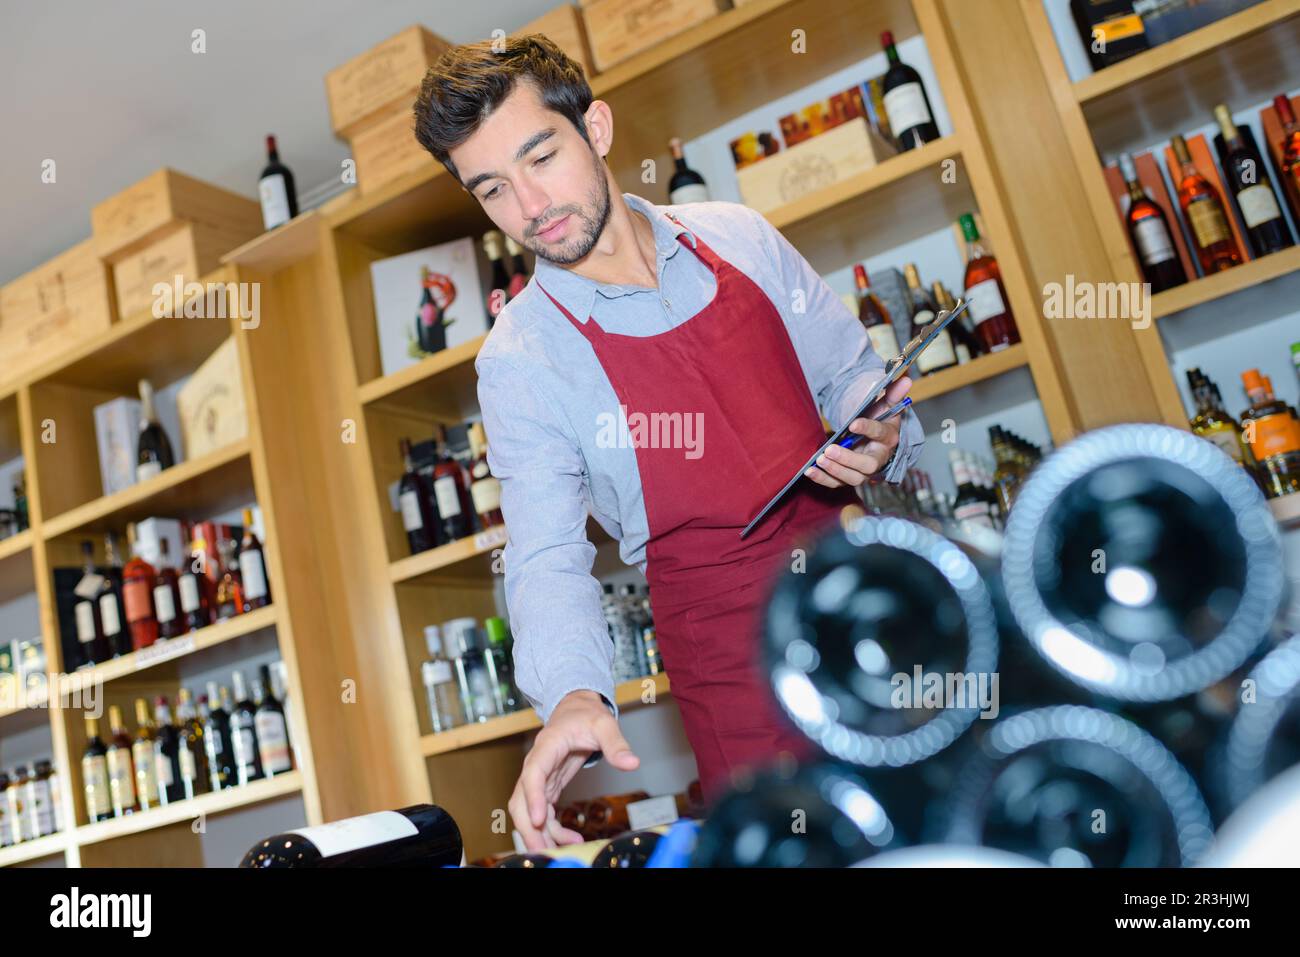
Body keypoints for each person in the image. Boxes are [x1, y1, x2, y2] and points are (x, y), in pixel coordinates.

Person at [413, 35, 923, 850]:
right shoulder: (520, 360)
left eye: (541, 157)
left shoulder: (741, 237)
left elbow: (859, 383)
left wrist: (883, 435)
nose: (530, 204)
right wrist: (573, 694)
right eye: (494, 189)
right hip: (730, 666)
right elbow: (545, 556)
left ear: (597, 129)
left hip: (870, 599)